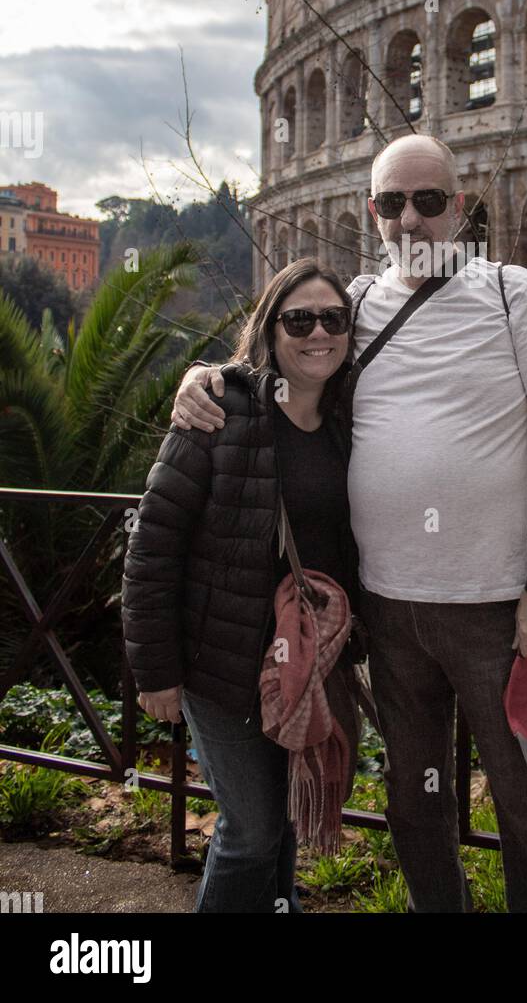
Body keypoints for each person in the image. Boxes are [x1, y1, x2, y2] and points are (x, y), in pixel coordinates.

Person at [173, 132, 527, 913]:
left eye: (429, 201)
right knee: (412, 798)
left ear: (458, 209)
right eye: (393, 203)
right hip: (388, 609)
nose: (411, 219)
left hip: (496, 604)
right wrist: (202, 376)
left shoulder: (511, 293)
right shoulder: (357, 304)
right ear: (373, 212)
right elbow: (281, 362)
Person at [121, 259, 359, 913]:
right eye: (300, 319)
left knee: (279, 822)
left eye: (333, 319)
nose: (318, 333)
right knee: (251, 828)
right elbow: (153, 542)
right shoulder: (221, 407)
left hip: (302, 664)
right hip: (217, 660)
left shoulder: (350, 417)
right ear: (271, 327)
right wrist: (155, 672)